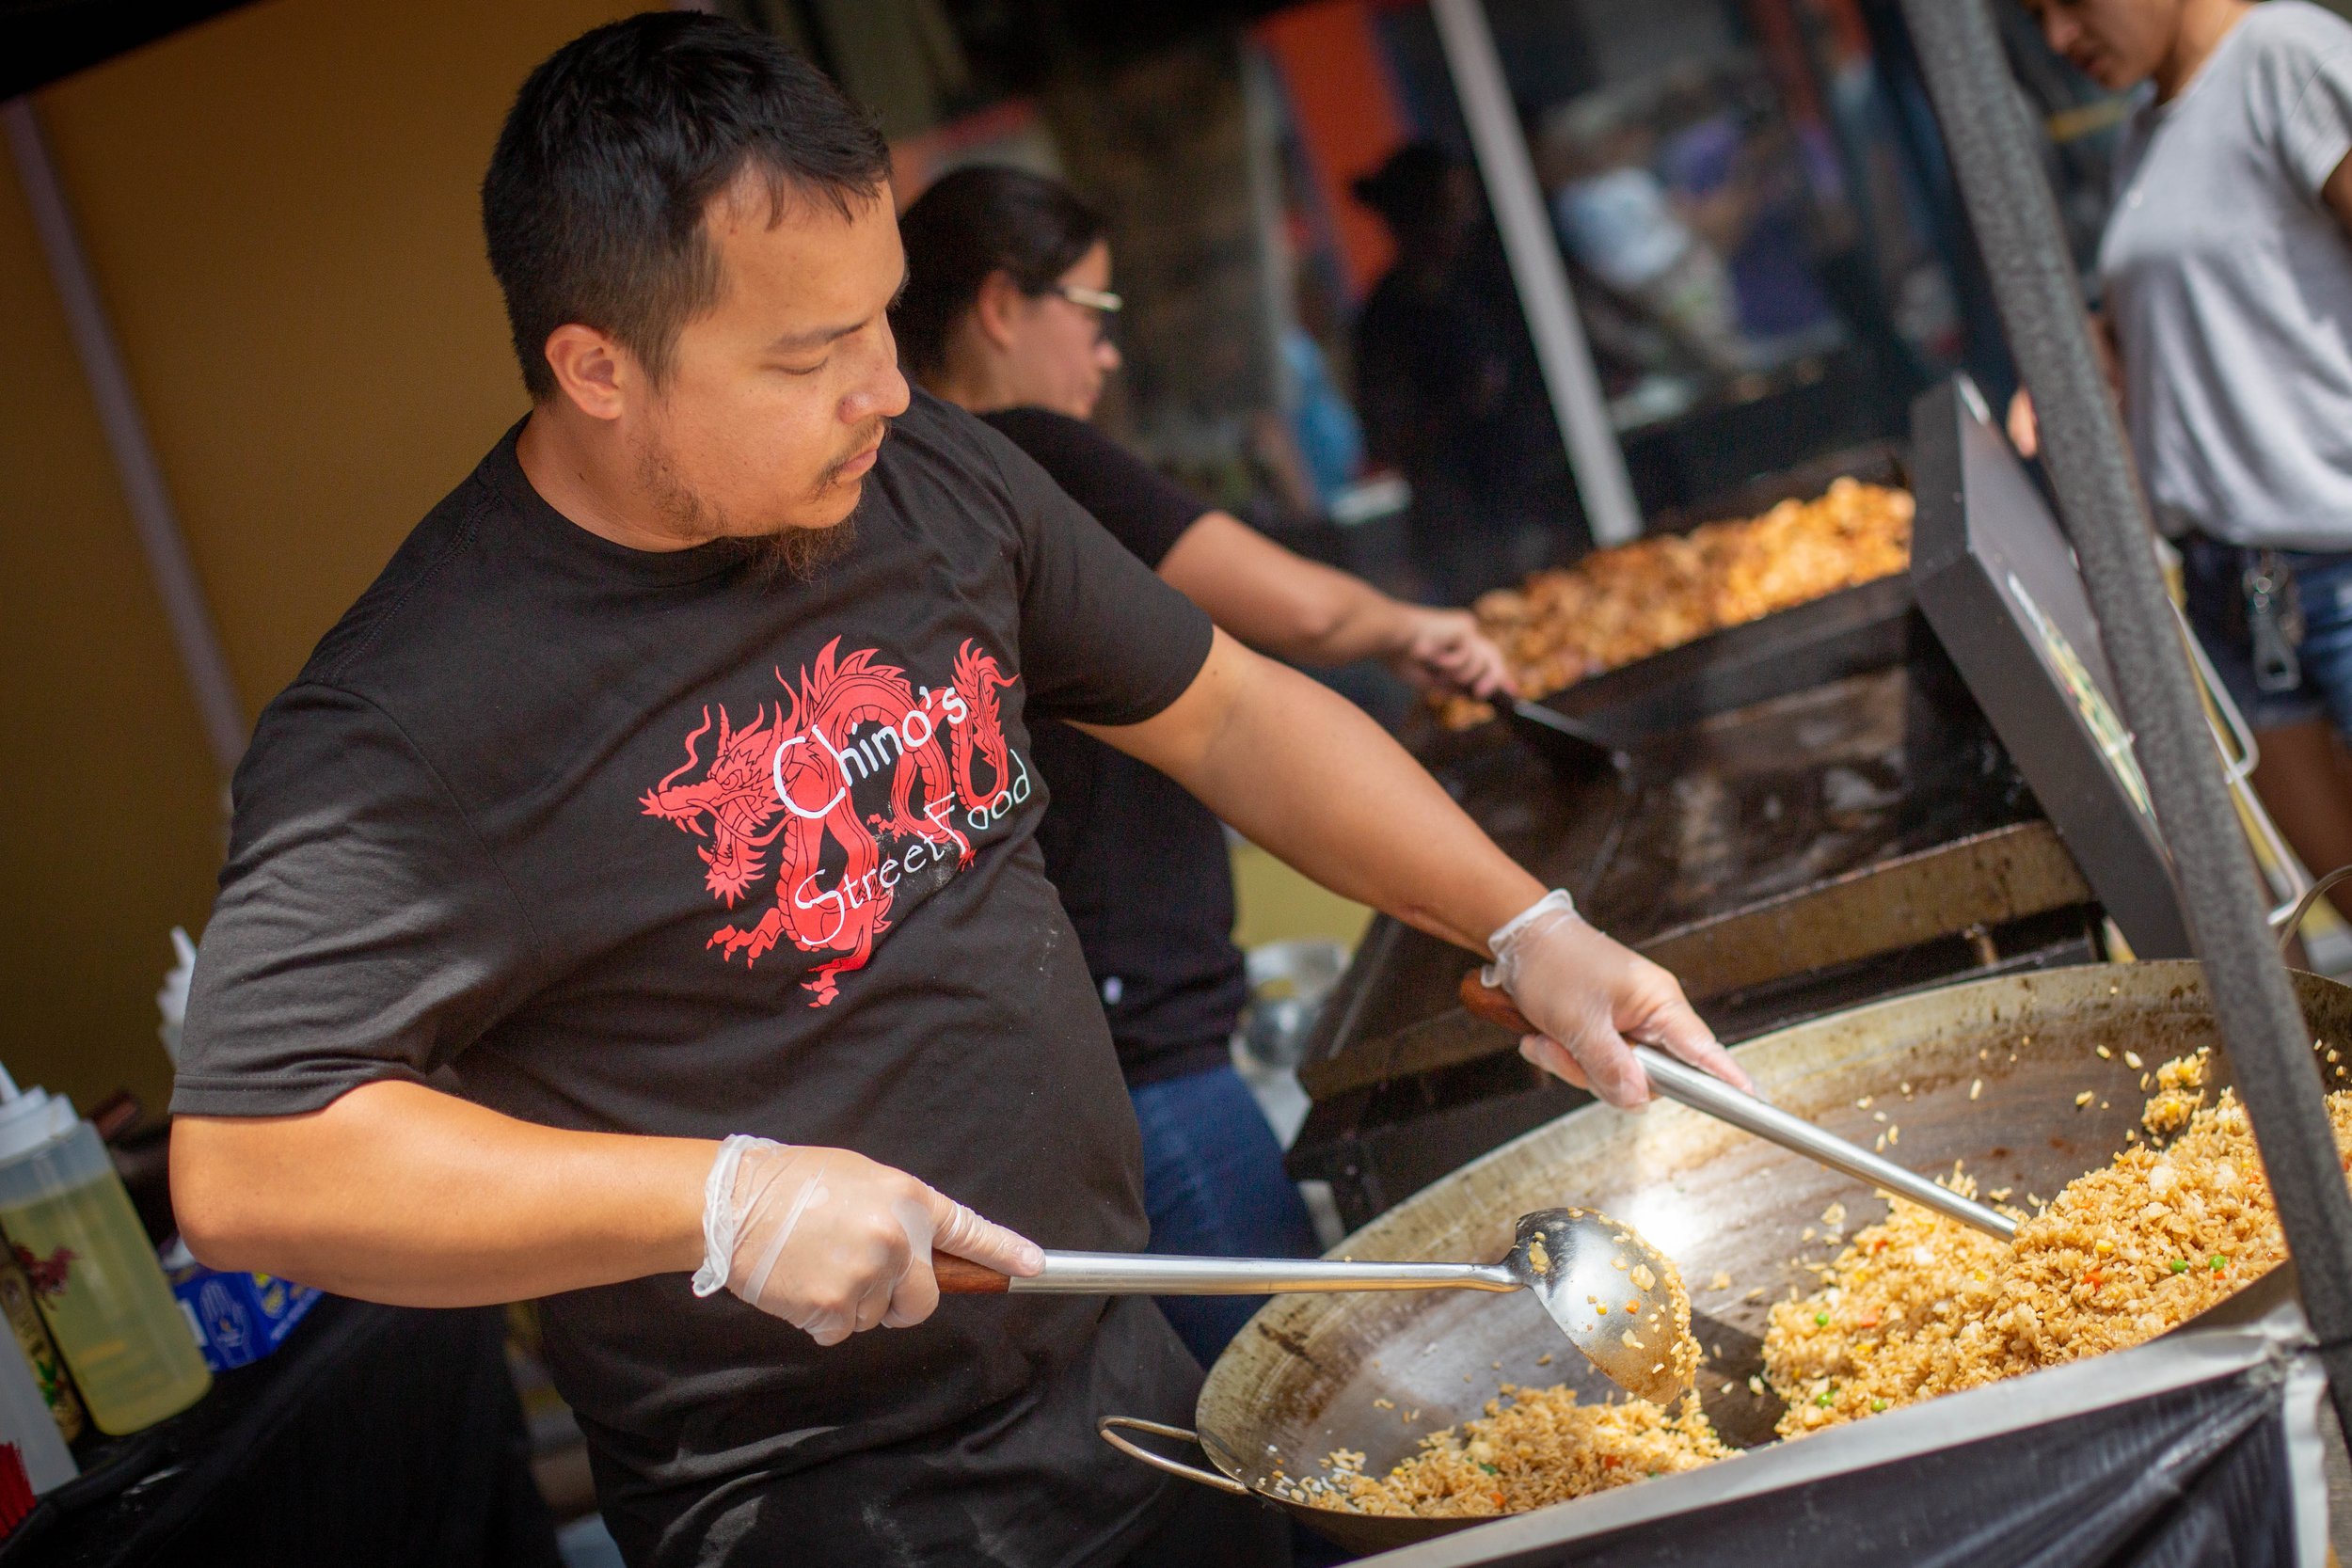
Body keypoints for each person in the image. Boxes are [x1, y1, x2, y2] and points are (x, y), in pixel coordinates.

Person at [166, 17, 1744, 1568]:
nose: (881, 389)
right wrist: (720, 1200)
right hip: (820, 1504)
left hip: (1126, 1388)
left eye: (881, 324)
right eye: (808, 356)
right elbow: (251, 1164)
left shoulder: (931, 476)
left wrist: (1525, 924)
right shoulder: (412, 714)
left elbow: (1232, 714)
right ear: (597, 367)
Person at [895, 166, 1515, 1366]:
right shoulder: (1028, 455)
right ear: (999, 307)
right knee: (1315, 1404)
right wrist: (1410, 627)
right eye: (1094, 311)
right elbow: (1287, 624)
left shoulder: (937, 490)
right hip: (1149, 1058)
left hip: (1098, 1044)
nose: (1108, 353)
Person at [2010, 0, 2352, 915]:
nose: (2056, 40)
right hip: (2233, 587)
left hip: (2337, 558)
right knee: (2336, 898)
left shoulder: (2283, 54)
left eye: (2068, 4)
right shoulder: (2146, 127)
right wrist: (2086, 353)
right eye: (2032, 16)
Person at [1349, 142, 1586, 602]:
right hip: (1469, 522)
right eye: (1450, 207)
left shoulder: (1489, 276)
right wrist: (1457, 408)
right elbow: (1386, 435)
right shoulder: (1389, 314)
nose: (1465, 218)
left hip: (1543, 490)